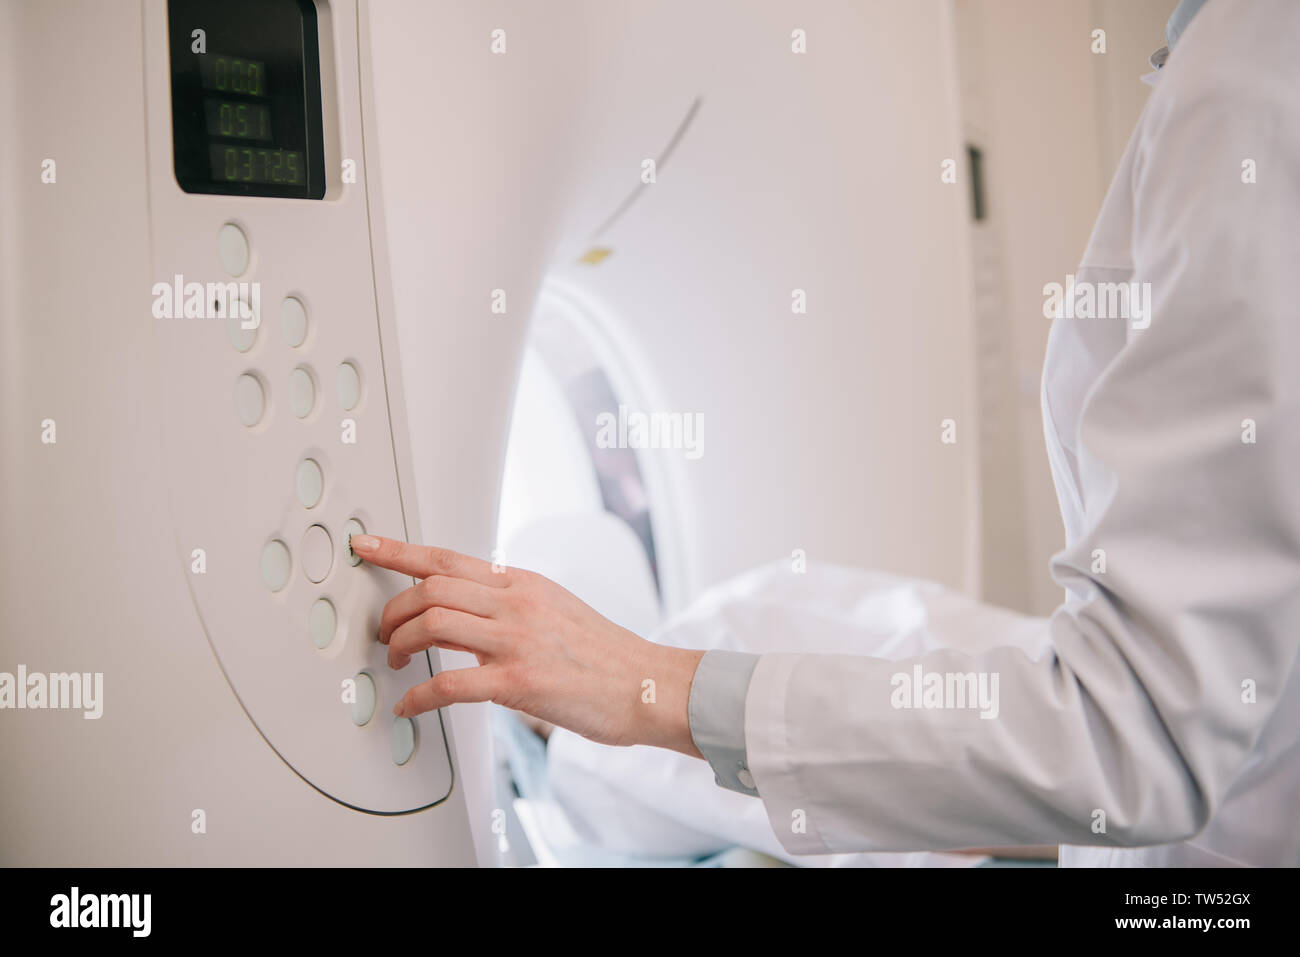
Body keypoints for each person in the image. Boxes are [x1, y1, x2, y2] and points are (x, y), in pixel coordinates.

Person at [348, 0, 1300, 867]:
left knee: (759, 647)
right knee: (794, 612)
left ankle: (562, 743)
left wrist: (639, 681)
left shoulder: (1257, 71)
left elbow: (1137, 736)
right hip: (1193, 796)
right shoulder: (1235, 56)